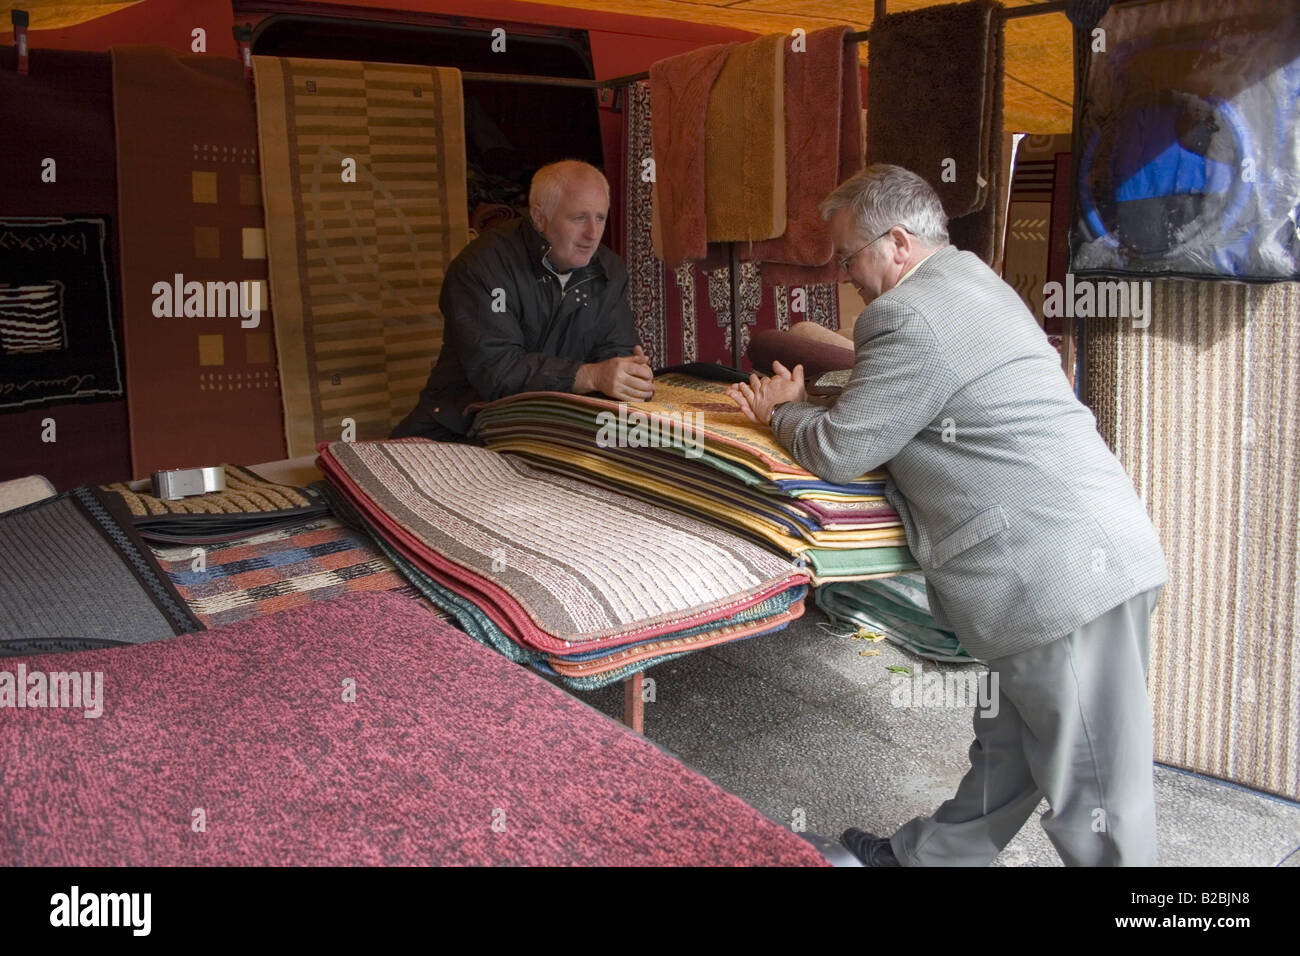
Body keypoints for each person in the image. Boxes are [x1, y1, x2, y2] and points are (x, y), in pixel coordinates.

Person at [728, 164, 1169, 867]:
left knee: (1100, 806)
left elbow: (844, 449)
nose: (849, 279)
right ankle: (923, 861)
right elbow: (915, 394)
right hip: (1082, 556)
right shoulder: (973, 281)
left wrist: (781, 411)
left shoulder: (904, 313)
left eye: (850, 258)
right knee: (1008, 753)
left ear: (897, 242)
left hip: (1054, 579)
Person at [392, 160, 653, 441]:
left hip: (550, 428)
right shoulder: (482, 266)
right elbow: (497, 371)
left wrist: (630, 378)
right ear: (540, 218)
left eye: (600, 218)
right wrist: (591, 376)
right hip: (460, 425)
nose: (592, 234)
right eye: (579, 218)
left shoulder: (608, 269)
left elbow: (617, 353)